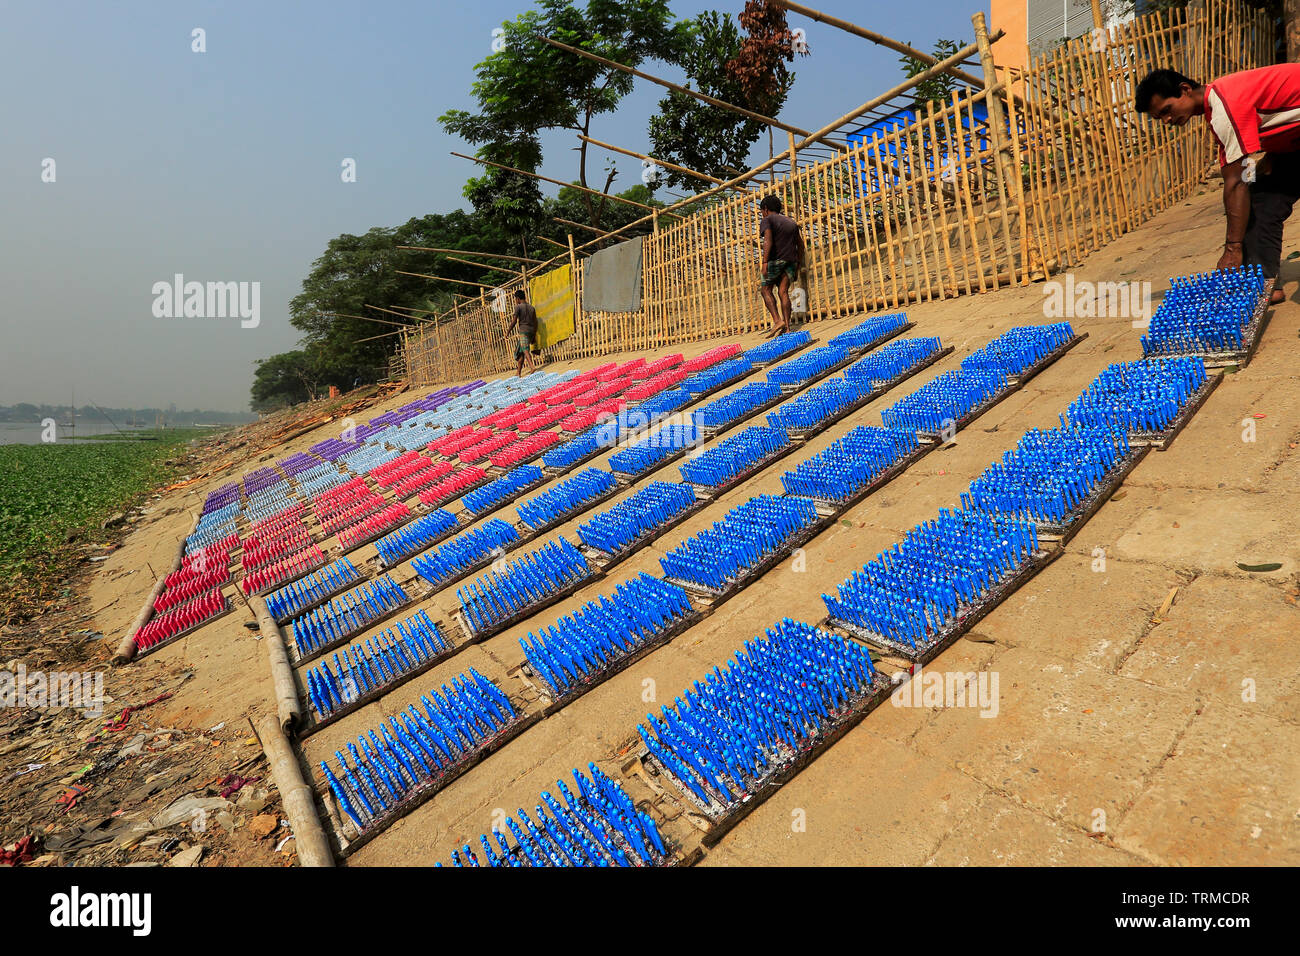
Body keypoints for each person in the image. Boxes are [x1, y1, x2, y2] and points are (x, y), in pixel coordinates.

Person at [1136, 65, 1300, 304]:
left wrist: (1232, 249)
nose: (1167, 120)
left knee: (1245, 192)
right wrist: (1273, 155)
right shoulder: (1218, 106)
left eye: (1166, 110)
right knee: (1262, 197)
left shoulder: (1226, 105)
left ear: (1184, 90)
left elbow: (1235, 184)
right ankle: (1263, 282)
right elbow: (1280, 117)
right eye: (1159, 118)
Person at [758, 194, 806, 337]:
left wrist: (765, 262)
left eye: (762, 211)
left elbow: (768, 240)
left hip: (775, 260)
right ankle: (787, 328)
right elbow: (801, 245)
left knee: (765, 290)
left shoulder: (768, 220)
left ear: (765, 209)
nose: (762, 214)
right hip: (791, 261)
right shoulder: (791, 222)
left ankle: (777, 321)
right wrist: (797, 263)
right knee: (783, 292)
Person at [505, 289, 539, 376]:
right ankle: (518, 372)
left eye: (515, 299)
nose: (515, 301)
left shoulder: (518, 307)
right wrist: (534, 335)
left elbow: (514, 321)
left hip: (523, 331)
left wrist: (508, 331)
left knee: (525, 349)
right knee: (520, 352)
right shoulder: (532, 308)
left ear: (518, 298)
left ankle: (532, 366)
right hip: (531, 331)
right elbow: (535, 322)